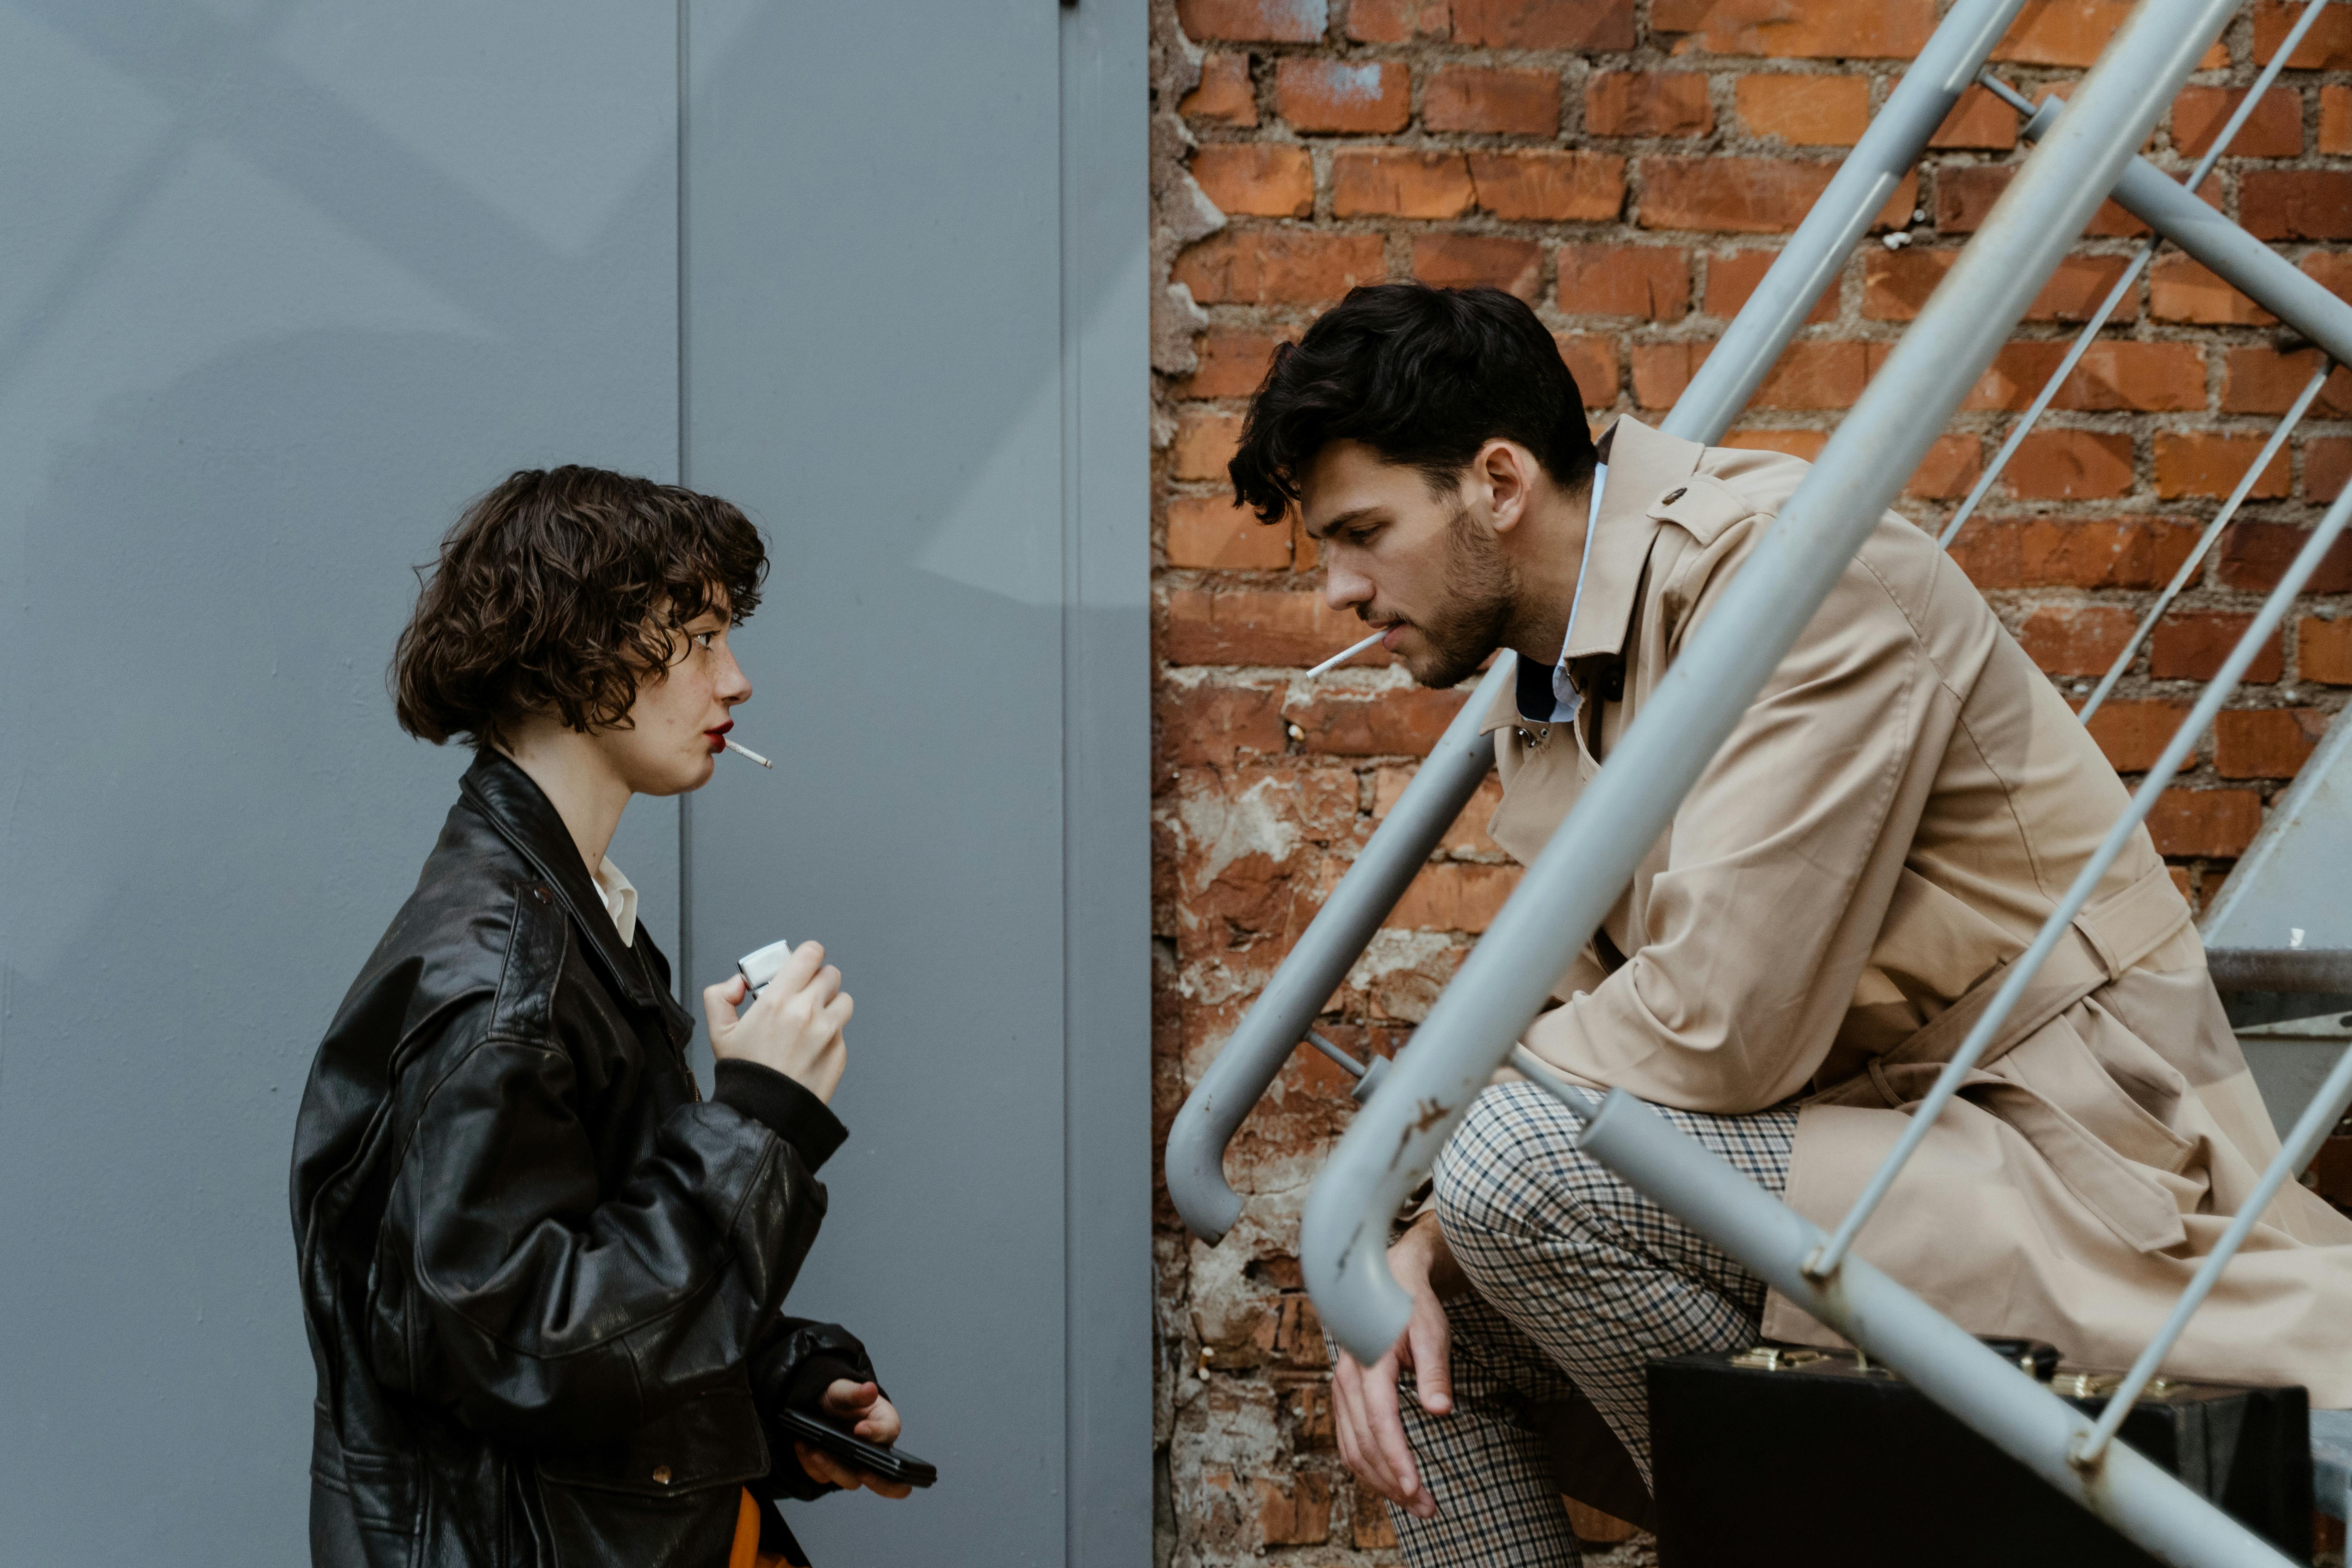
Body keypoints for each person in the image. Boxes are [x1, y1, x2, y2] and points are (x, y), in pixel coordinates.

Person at [1225, 283, 2352, 1563]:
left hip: (2055, 1151)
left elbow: (1717, 1026)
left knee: (1518, 1173)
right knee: (1404, 1323)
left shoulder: (1798, 574)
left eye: (1364, 532)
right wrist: (1395, 1252)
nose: (1337, 592)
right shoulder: (1549, 686)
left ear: (1496, 482)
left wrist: (1425, 1208)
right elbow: (1602, 1021)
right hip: (1859, 1147)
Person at [291, 467, 908, 1568]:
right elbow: (527, 1352)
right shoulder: (500, 980)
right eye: (705, 637)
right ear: (581, 653)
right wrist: (761, 1120)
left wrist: (781, 1386)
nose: (740, 679)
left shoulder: (573, 921)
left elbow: (586, 1287)